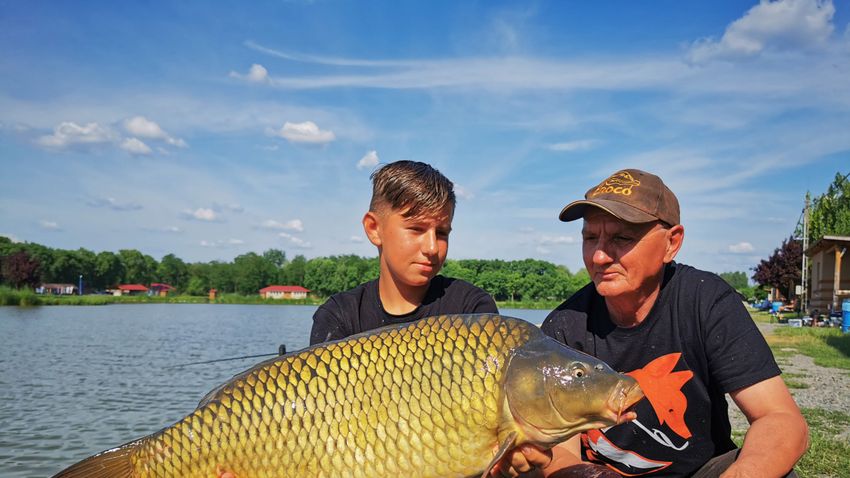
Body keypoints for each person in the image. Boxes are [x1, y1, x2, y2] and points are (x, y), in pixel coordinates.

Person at [498, 169, 808, 478]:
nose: (600, 256)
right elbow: (563, 453)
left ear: (672, 243)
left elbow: (780, 419)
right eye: (591, 237)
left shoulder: (705, 300)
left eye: (622, 238)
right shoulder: (565, 325)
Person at [309, 160, 498, 345]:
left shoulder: (471, 310)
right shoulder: (339, 315)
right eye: (416, 229)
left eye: (441, 233)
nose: (432, 248)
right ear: (374, 229)